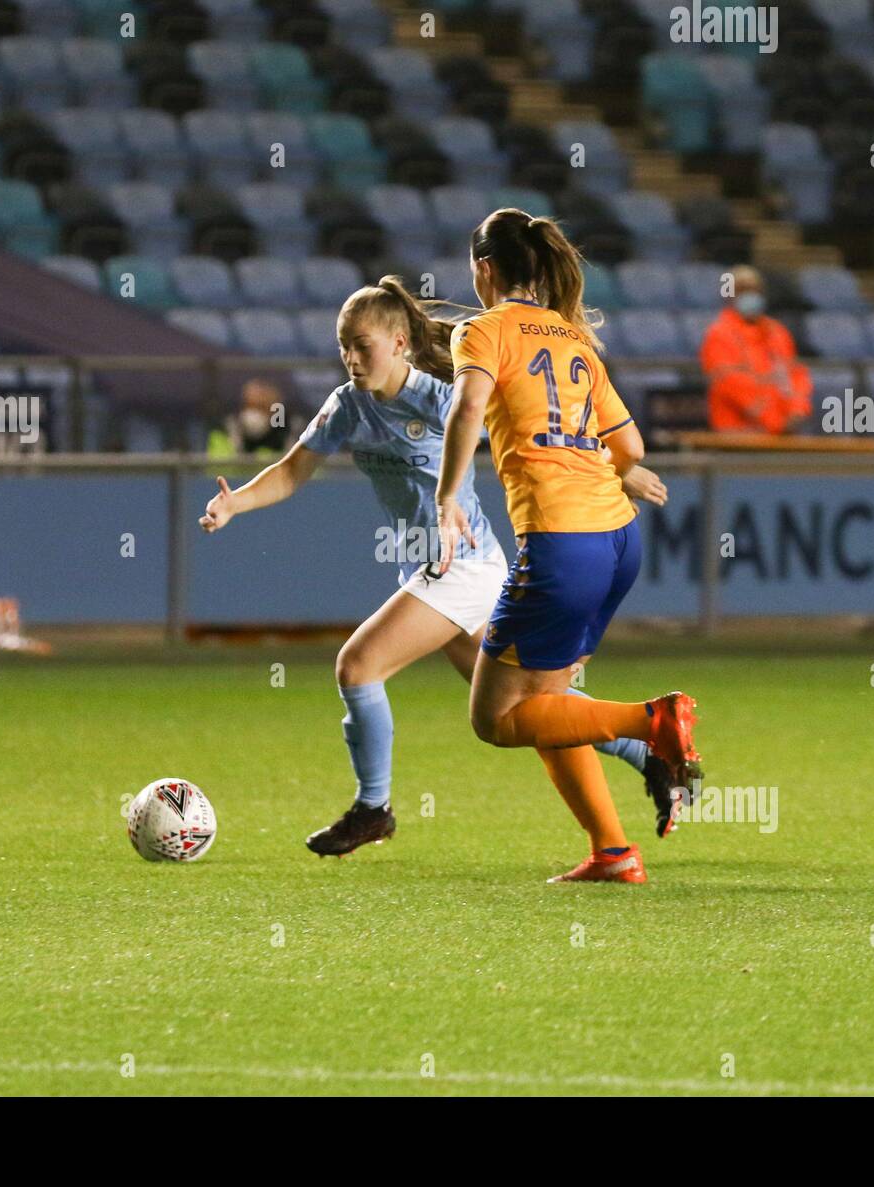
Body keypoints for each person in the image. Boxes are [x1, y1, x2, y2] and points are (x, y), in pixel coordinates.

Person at [198, 276, 676, 856]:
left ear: (400, 343)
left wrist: (619, 467)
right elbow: (295, 469)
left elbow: (538, 430)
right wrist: (235, 502)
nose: (351, 357)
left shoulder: (441, 400)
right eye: (343, 344)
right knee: (530, 706)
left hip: (463, 566)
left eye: (362, 344)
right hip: (439, 569)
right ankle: (646, 747)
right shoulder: (348, 405)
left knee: (357, 667)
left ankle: (373, 808)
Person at [435, 209, 704, 885]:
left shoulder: (484, 329)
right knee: (545, 702)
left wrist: (446, 496)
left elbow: (468, 407)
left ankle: (654, 722)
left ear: (484, 270)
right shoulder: (575, 338)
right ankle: (614, 852)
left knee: (495, 717)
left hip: (560, 542)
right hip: (617, 541)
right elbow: (631, 448)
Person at [699, 264, 812, 435]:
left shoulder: (778, 332)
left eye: (754, 290)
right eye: (743, 290)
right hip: (737, 432)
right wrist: (775, 420)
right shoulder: (719, 334)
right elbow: (729, 382)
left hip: (783, 432)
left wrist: (796, 411)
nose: (750, 295)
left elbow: (794, 375)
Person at [206, 377, 295, 458]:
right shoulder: (223, 431)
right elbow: (218, 468)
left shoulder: (287, 436)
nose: (254, 413)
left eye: (261, 407)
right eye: (250, 406)